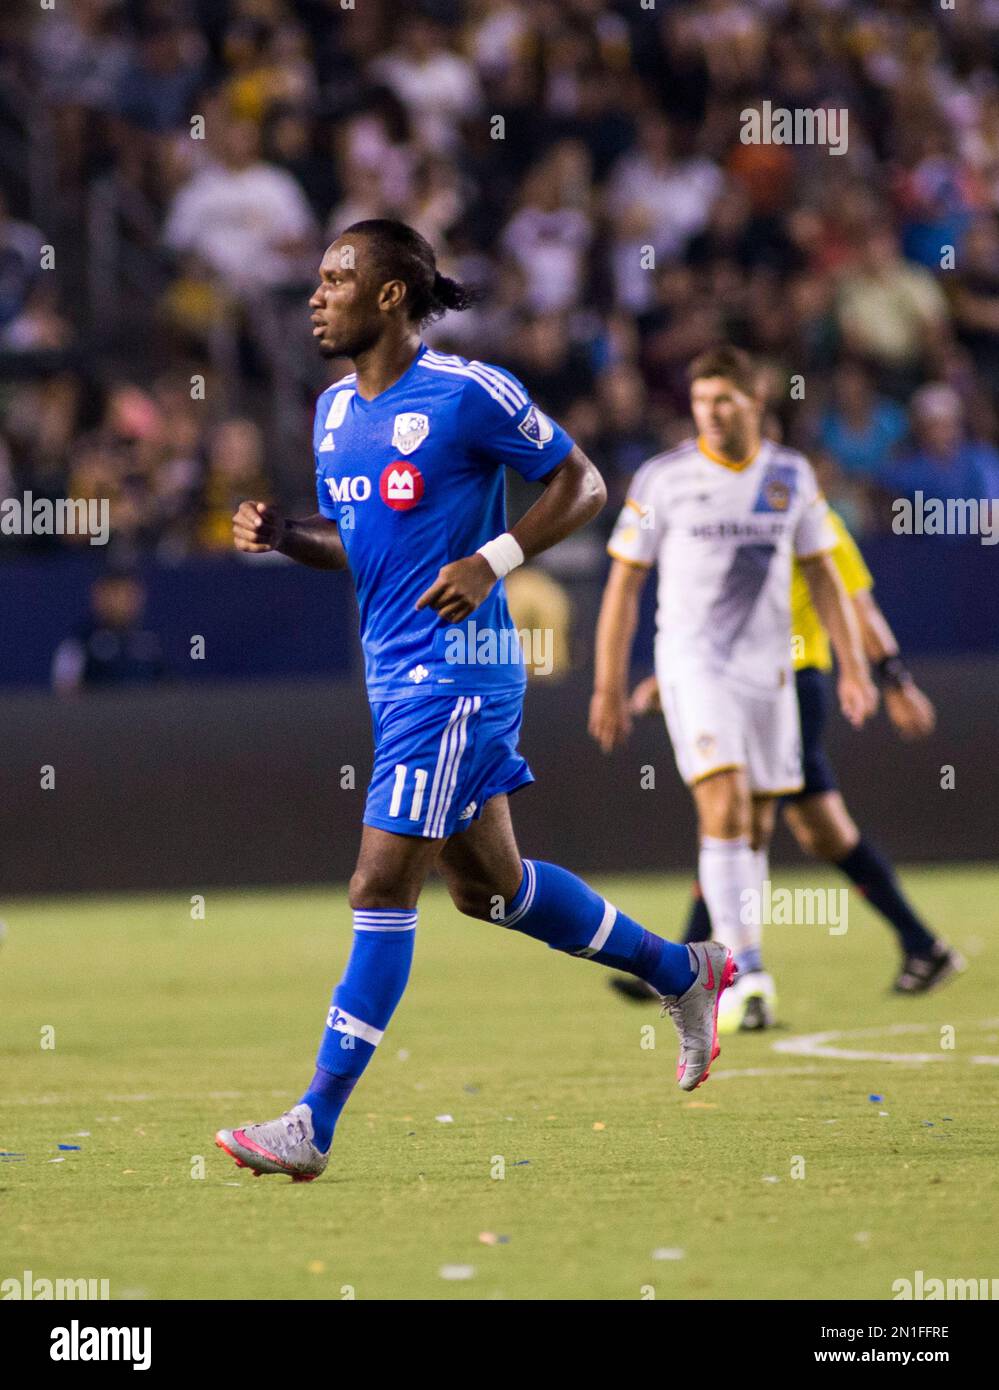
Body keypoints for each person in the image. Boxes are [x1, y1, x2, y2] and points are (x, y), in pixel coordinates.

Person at [216, 220, 736, 1182]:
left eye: (337, 278)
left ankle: (312, 1124)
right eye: (317, 279)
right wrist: (290, 533)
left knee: (378, 884)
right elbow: (362, 543)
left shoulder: (465, 393)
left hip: (455, 675)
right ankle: (683, 970)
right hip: (394, 674)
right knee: (488, 890)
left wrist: (492, 559)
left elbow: (583, 483)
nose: (316, 295)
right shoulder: (332, 412)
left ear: (388, 296)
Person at [589, 346, 878, 1032]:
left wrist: (856, 666)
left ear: (757, 401)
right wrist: (607, 682)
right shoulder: (664, 479)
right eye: (700, 401)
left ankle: (731, 967)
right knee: (720, 805)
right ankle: (746, 974)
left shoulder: (788, 474)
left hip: (770, 671)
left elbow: (822, 575)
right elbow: (623, 586)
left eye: (724, 400)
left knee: (750, 824)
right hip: (694, 667)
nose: (710, 414)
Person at [613, 508, 966, 1022]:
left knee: (737, 822)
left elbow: (856, 600)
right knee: (822, 832)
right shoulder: (735, 514)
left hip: (791, 685)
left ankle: (695, 966)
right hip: (745, 684)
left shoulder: (805, 508)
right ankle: (923, 946)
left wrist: (894, 679)